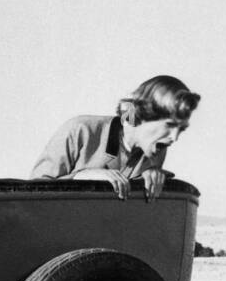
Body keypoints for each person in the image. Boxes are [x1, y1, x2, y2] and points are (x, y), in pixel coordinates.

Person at [31, 75, 200, 201]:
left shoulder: (156, 151)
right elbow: (33, 191)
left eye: (181, 129)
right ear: (143, 115)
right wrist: (82, 177)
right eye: (169, 125)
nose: (174, 138)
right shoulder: (80, 130)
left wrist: (151, 180)